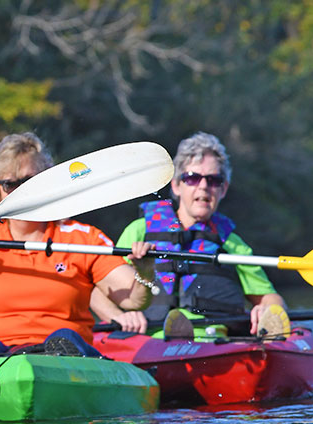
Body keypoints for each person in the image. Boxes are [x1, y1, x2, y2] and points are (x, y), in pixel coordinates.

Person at [0, 132, 156, 362]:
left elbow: (133, 300)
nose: (20, 192)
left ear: (47, 182)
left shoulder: (83, 239)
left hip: (63, 356)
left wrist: (145, 271)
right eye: (9, 184)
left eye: (28, 182)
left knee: (64, 338)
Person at [92, 132, 287, 336]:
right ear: (176, 185)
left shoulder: (232, 243)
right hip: (148, 343)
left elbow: (272, 299)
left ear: (224, 189)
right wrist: (119, 316)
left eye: (213, 180)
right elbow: (98, 294)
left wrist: (268, 309)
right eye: (193, 178)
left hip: (215, 346)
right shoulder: (140, 231)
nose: (204, 186)